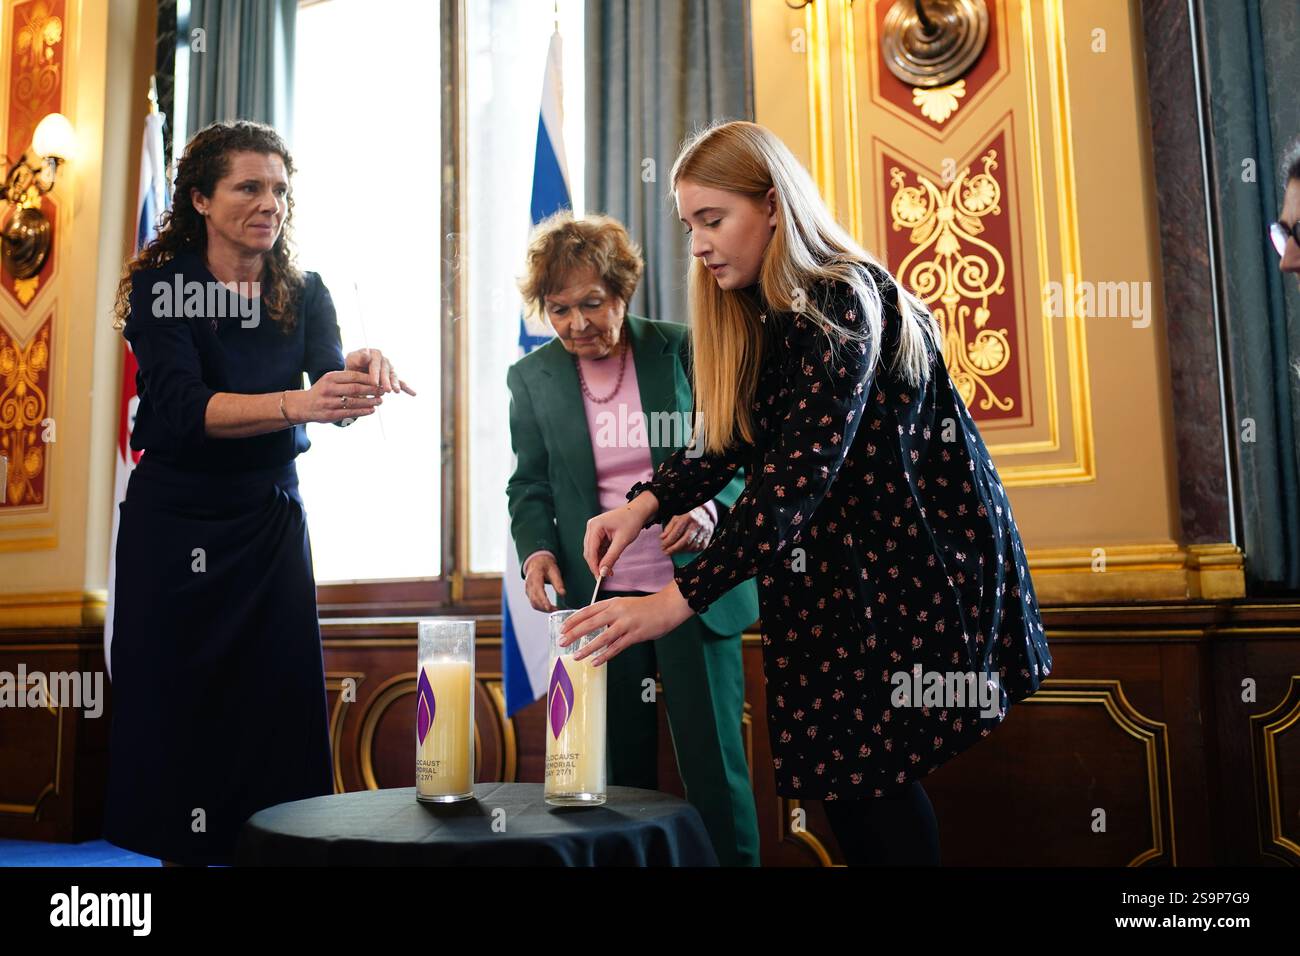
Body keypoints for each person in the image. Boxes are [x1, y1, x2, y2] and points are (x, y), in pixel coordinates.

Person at [559, 120, 1053, 866]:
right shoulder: (756, 311)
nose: (697, 244)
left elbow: (796, 479)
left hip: (904, 581)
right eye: (689, 223)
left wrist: (672, 603)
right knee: (852, 793)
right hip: (832, 585)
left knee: (872, 791)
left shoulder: (840, 299)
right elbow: (725, 441)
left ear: (775, 208)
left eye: (713, 220)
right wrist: (642, 503)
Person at [103, 120, 414, 866]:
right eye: (249, 186)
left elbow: (327, 389)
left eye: (279, 188)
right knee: (179, 712)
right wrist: (296, 402)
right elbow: (179, 408)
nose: (269, 202)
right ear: (202, 200)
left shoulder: (304, 291)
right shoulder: (162, 288)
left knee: (272, 709)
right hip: (176, 525)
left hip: (269, 521)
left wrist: (358, 373)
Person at [507, 211, 762, 865]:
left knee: (716, 777)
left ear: (623, 291)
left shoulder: (682, 347)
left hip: (692, 592)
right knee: (615, 784)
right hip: (600, 605)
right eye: (558, 309)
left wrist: (709, 513)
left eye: (592, 303)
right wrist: (537, 551)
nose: (576, 324)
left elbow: (738, 456)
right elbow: (529, 486)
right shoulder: (531, 379)